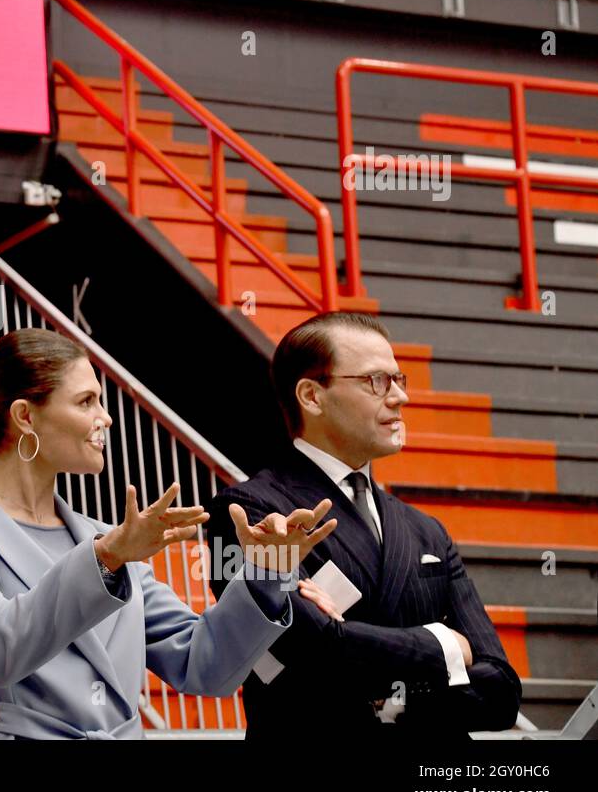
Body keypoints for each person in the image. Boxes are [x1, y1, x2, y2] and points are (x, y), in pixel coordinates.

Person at [0, 328, 338, 739]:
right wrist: (106, 557)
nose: (105, 419)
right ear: (25, 417)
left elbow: (206, 665)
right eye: (86, 401)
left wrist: (266, 572)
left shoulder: (106, 538)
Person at [205, 311, 522, 739]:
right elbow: (313, 650)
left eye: (399, 379)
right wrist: (446, 644)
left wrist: (391, 699)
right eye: (376, 381)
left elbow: (502, 692)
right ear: (312, 396)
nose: (399, 398)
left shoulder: (426, 530)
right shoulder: (245, 512)